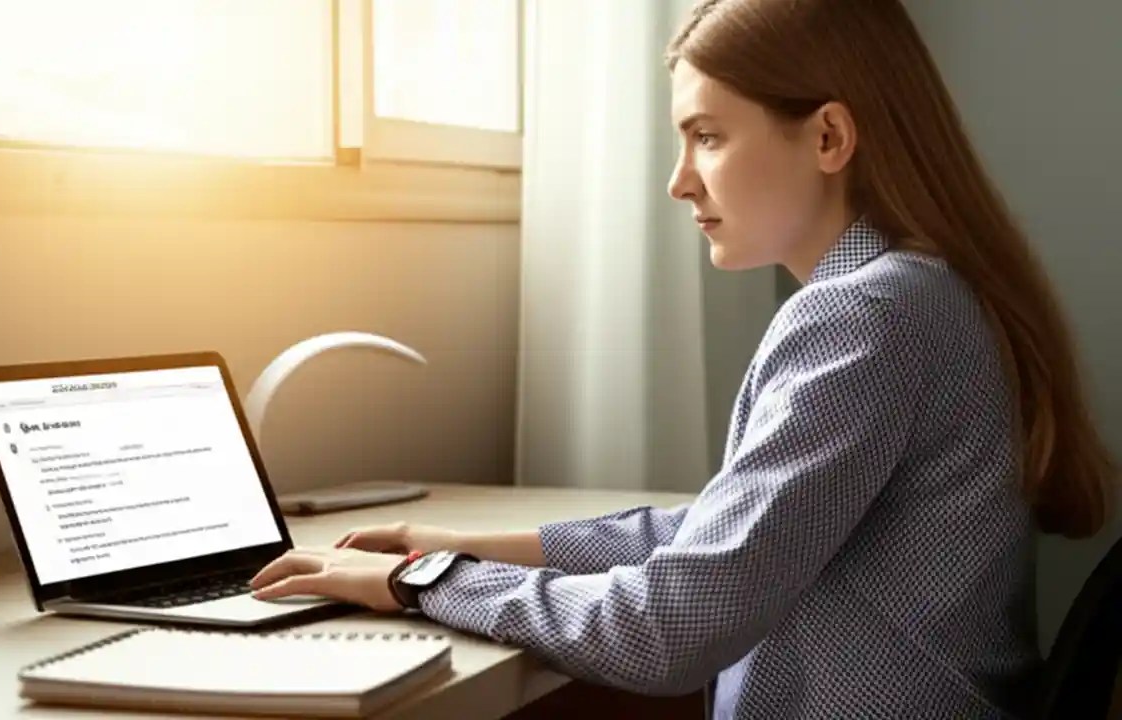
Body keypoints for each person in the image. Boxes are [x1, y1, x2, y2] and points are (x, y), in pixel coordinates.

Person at [249, 0, 1116, 716]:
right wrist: (463, 546)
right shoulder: (921, 291)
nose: (679, 180)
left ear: (828, 137)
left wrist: (425, 581)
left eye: (708, 136)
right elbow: (720, 537)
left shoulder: (868, 317)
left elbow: (669, 628)